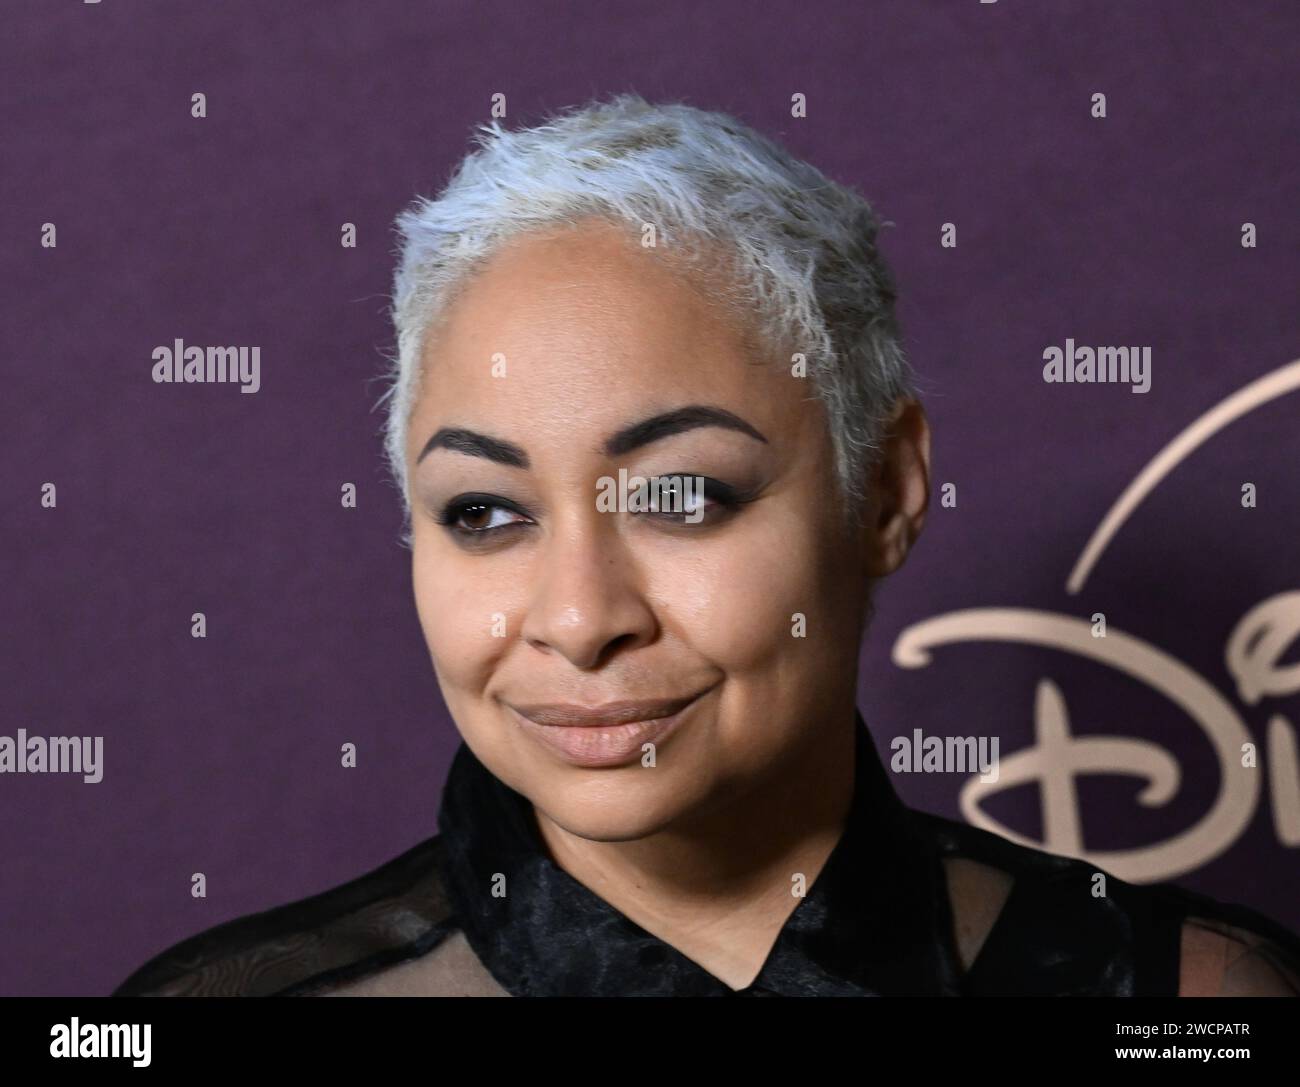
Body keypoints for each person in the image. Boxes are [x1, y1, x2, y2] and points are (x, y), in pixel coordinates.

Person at [112, 94, 1300, 998]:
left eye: (679, 495)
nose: (578, 617)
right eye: (485, 512)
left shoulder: (1179, 993)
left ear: (885, 490)